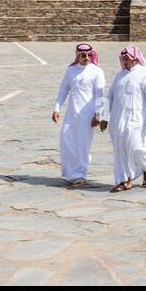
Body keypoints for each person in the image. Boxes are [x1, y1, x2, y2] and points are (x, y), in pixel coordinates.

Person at [102, 44, 146, 192]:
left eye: (127, 59)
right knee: (119, 150)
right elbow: (110, 96)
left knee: (138, 147)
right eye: (122, 59)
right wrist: (104, 117)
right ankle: (124, 180)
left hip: (137, 119)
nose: (124, 62)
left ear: (135, 59)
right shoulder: (119, 75)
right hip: (117, 120)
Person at [51, 43, 106, 188]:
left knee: (83, 145)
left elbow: (101, 95)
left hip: (88, 115)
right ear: (77, 56)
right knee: (66, 141)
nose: (86, 58)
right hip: (71, 113)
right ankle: (71, 174)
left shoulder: (97, 72)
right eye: (83, 55)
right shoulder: (71, 70)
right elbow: (64, 89)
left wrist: (99, 115)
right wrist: (57, 108)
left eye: (89, 55)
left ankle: (80, 175)